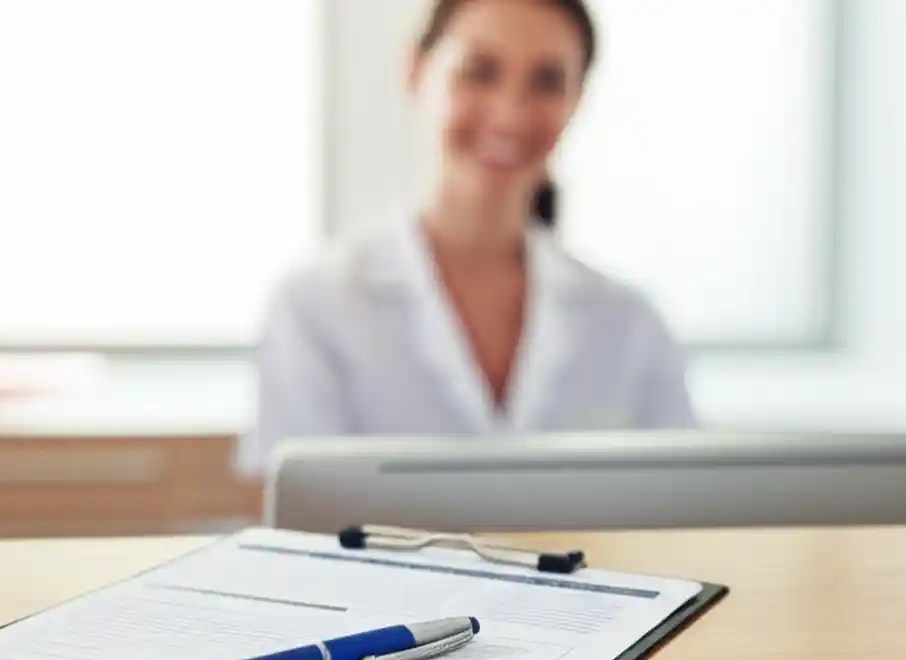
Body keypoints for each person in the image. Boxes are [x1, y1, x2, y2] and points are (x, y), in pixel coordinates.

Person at [239, 0, 695, 476]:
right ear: (416, 71)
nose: (509, 114)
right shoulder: (316, 307)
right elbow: (294, 518)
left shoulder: (632, 326)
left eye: (546, 82)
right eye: (479, 72)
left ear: (577, 100)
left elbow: (683, 511)